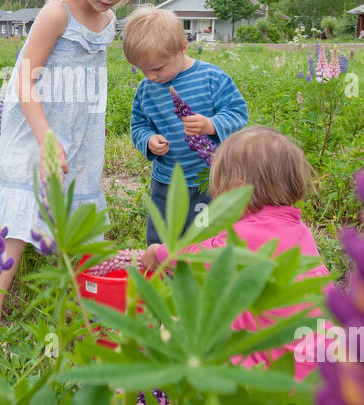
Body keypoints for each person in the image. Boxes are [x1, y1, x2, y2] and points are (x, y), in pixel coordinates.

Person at [0, 0, 145, 362]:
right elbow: (25, 81)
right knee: (16, 227)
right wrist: (46, 135)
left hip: (81, 130)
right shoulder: (57, 12)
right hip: (38, 127)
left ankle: (91, 317)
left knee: (81, 222)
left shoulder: (108, 20)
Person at [140, 125, 329, 381]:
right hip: (326, 370)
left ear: (237, 192)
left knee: (186, 335)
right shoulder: (300, 230)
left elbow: (194, 259)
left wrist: (158, 253)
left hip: (280, 376)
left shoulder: (245, 236)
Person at [123, 6, 247, 245]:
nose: (150, 77)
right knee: (162, 239)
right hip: (166, 181)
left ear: (182, 48)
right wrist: (148, 140)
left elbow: (238, 114)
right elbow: (138, 125)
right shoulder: (146, 89)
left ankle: (202, 277)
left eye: (158, 68)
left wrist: (212, 125)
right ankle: (164, 278)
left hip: (209, 179)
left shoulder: (212, 78)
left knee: (207, 239)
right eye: (142, 70)